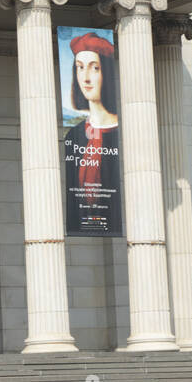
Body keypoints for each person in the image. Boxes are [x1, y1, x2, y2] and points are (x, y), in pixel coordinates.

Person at [63, 33, 122, 236]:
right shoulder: (74, 135)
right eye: (80, 67)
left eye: (94, 68)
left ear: (106, 72)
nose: (86, 78)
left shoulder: (119, 134)